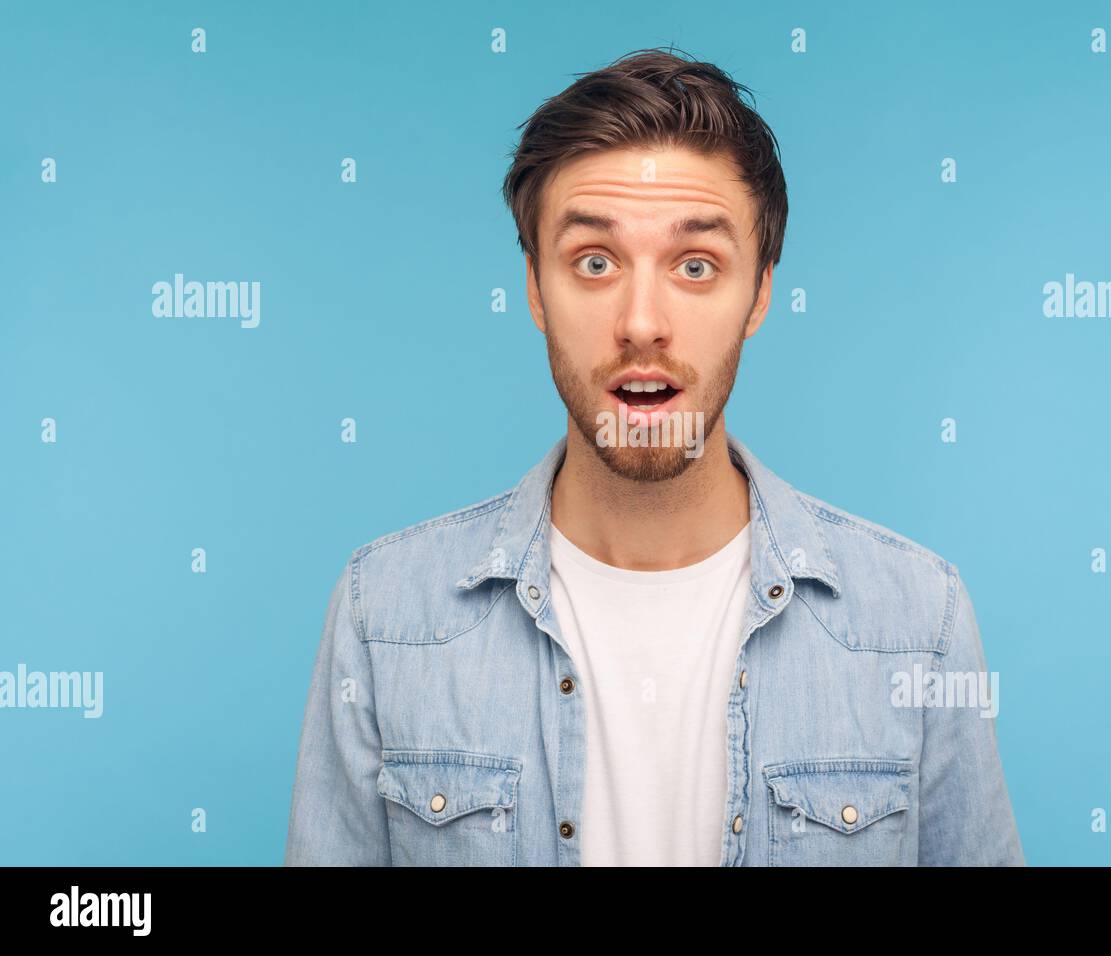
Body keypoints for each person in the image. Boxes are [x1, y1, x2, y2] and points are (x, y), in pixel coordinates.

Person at [285, 47, 1025, 867]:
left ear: (761, 293)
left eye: (696, 265)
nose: (642, 322)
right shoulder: (382, 615)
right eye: (594, 262)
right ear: (534, 288)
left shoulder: (919, 620)